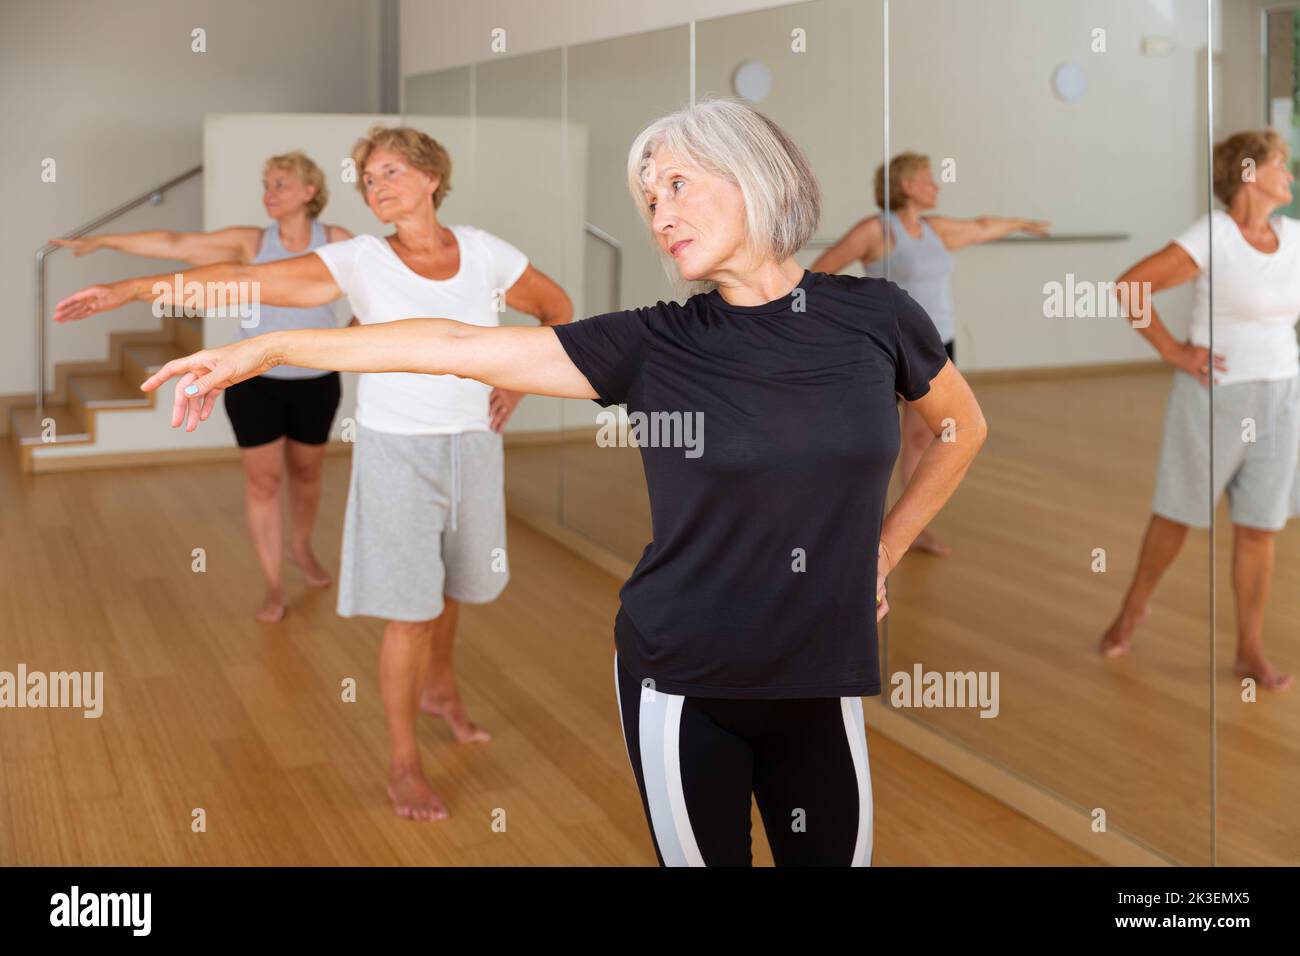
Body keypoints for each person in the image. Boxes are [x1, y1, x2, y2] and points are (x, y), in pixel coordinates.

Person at [60, 98, 986, 865]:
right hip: (683, 678)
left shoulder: (875, 317)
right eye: (646, 194)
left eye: (676, 184)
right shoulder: (655, 341)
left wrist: (884, 547)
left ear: (755, 176)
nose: (657, 212)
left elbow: (959, 426)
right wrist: (267, 343)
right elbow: (453, 343)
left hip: (824, 680)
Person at [55, 126, 575, 820]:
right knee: (409, 614)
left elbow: (558, 311)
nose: (377, 186)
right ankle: (402, 765)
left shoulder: (484, 252)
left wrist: (519, 384)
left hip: (475, 445)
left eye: (390, 172)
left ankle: (441, 689)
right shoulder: (359, 258)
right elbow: (246, 280)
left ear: (430, 177)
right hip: (398, 451)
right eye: (368, 179)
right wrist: (130, 290)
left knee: (454, 588)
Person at [52, 151, 353, 623]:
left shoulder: (338, 242)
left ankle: (301, 548)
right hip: (253, 381)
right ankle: (275, 585)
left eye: (280, 184)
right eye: (265, 184)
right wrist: (105, 240)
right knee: (265, 481)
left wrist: (351, 337)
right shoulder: (251, 242)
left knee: (309, 474)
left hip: (317, 381)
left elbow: (375, 292)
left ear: (309, 192)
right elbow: (176, 241)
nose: (268, 194)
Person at [1099, 130, 1298, 692]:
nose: (1290, 173)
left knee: (1260, 528)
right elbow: (1132, 286)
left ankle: (1250, 650)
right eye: (1282, 164)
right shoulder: (1215, 235)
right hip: (1216, 396)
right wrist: (1172, 349)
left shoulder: (1294, 237)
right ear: (1250, 173)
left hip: (1282, 396)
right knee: (1178, 514)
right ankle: (1131, 611)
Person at [813, 151, 1045, 556]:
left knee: (926, 435)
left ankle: (909, 529)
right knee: (873, 438)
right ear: (907, 186)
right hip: (889, 349)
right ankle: (846, 526)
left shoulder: (935, 230)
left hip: (937, 346)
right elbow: (820, 274)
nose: (936, 185)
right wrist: (853, 322)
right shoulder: (876, 231)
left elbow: (982, 226)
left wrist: (1021, 224)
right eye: (927, 179)